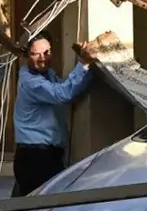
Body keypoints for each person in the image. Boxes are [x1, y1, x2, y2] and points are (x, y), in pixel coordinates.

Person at [12, 31, 94, 196]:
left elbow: (69, 89)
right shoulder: (31, 82)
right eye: (36, 54)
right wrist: (84, 63)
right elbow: (63, 94)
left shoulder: (46, 74)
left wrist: (91, 67)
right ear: (27, 56)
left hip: (46, 156)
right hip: (35, 159)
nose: (43, 58)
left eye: (47, 52)